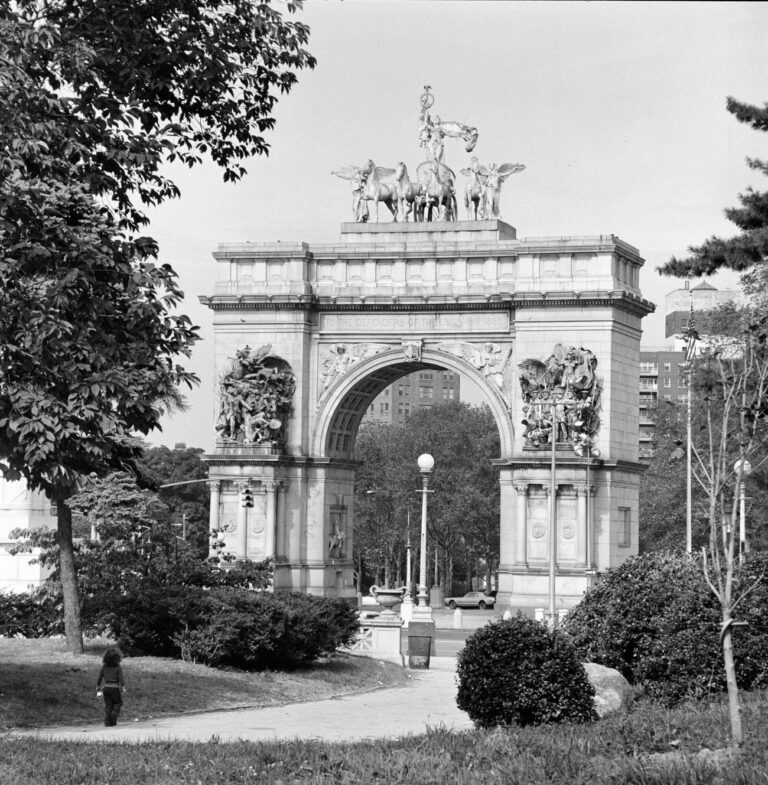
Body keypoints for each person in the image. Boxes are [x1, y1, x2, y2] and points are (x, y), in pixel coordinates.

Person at [96, 646, 126, 727]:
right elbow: (121, 678)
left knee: (108, 705)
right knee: (118, 702)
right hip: (115, 688)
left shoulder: (104, 667)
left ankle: (108, 722)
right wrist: (123, 686)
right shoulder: (118, 667)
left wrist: (98, 686)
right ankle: (114, 715)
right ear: (117, 658)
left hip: (106, 688)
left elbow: (100, 677)